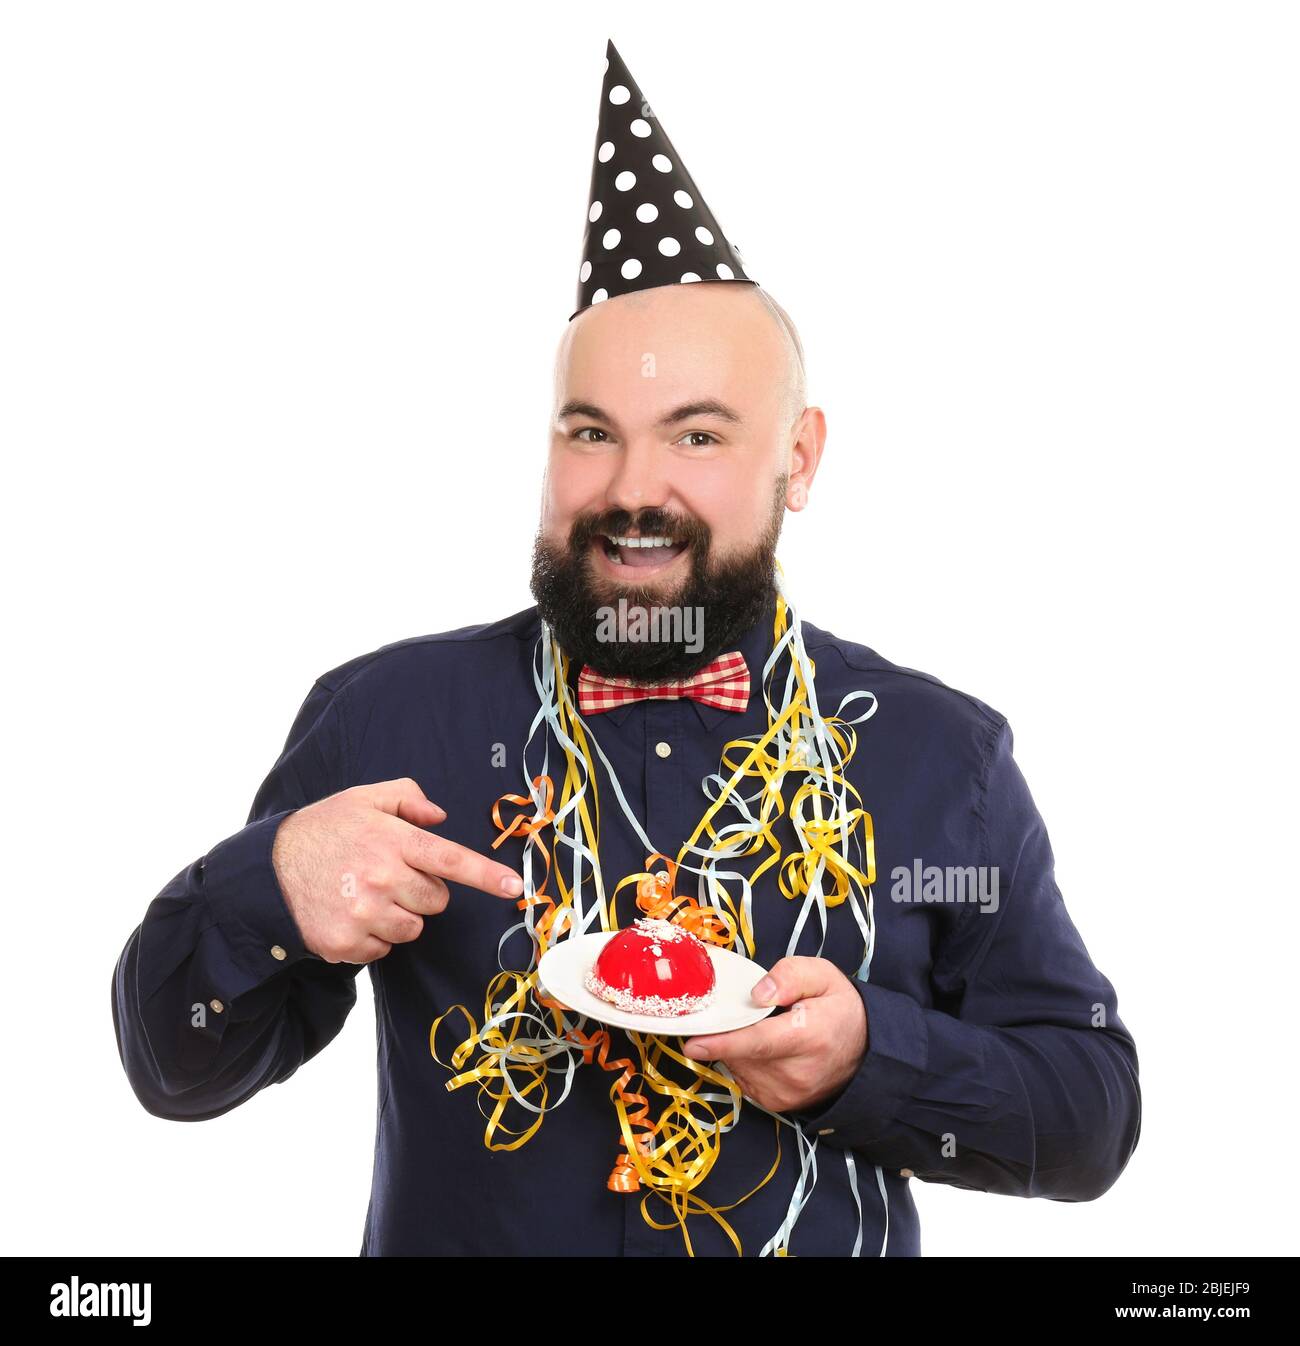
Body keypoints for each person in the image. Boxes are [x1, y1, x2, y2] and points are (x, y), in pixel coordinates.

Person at [111, 40, 1140, 1257]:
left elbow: (1087, 1117)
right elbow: (177, 1072)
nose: (632, 487)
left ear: (797, 457)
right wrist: (269, 882)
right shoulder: (384, 717)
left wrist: (873, 1056)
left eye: (697, 435)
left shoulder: (936, 759)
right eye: (591, 431)